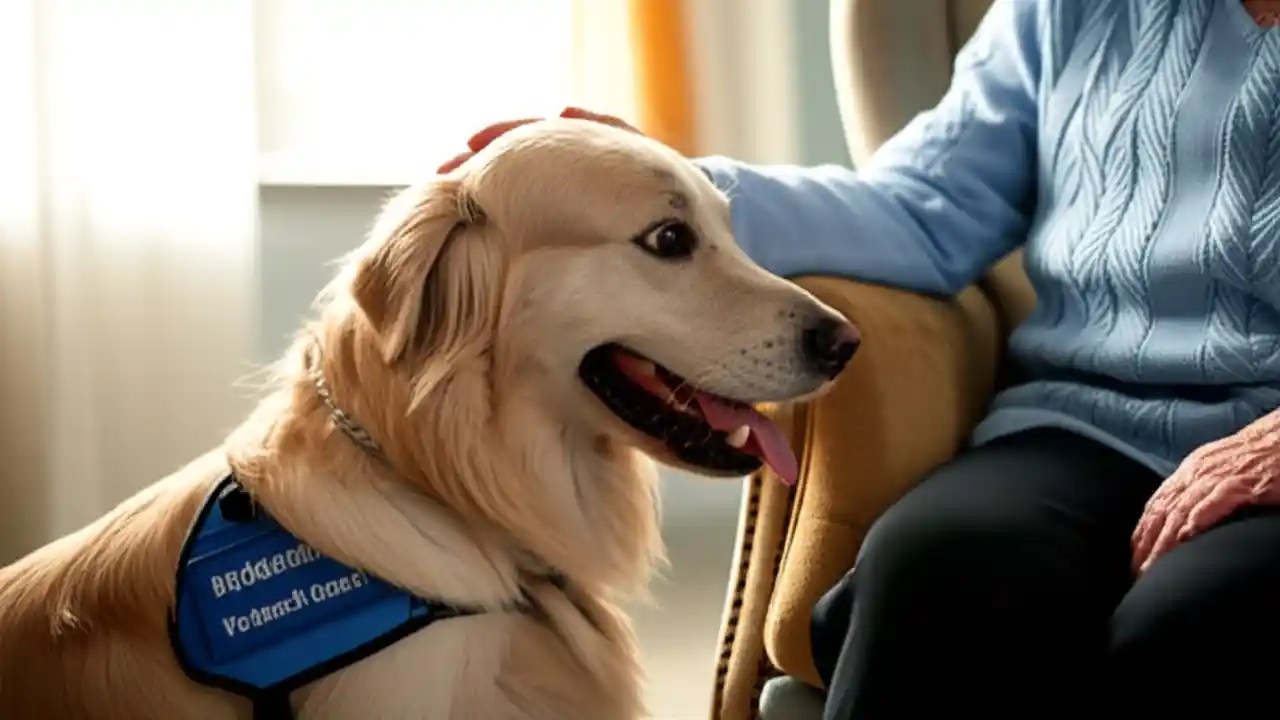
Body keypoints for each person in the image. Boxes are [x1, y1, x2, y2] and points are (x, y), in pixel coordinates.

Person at [445, 0, 1280, 715]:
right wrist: (670, 194)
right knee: (935, 572)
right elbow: (926, 207)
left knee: (1192, 630)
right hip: (1086, 425)